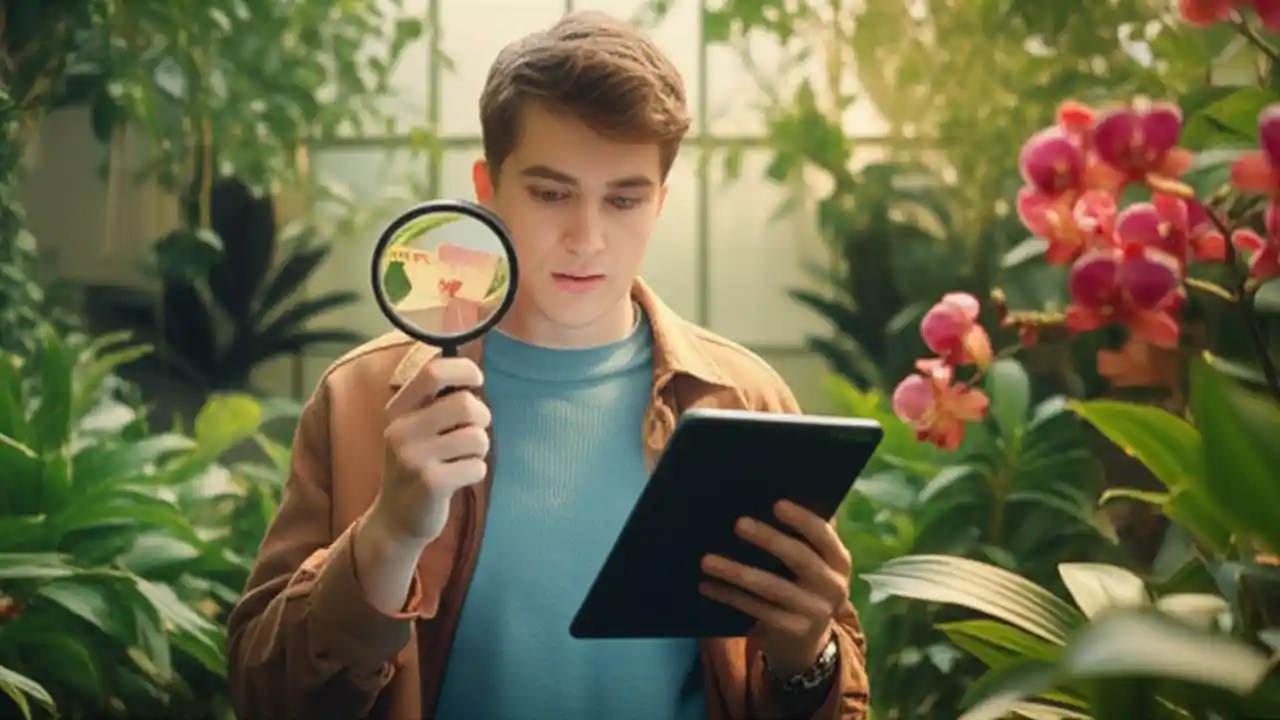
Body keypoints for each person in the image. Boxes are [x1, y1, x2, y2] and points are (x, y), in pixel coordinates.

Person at [226, 10, 869, 720]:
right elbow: (265, 698)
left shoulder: (742, 400)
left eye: (623, 199)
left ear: (660, 203)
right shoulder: (363, 398)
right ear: (487, 186)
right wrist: (386, 537)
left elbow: (837, 700)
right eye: (551, 193)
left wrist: (808, 656)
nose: (586, 238)